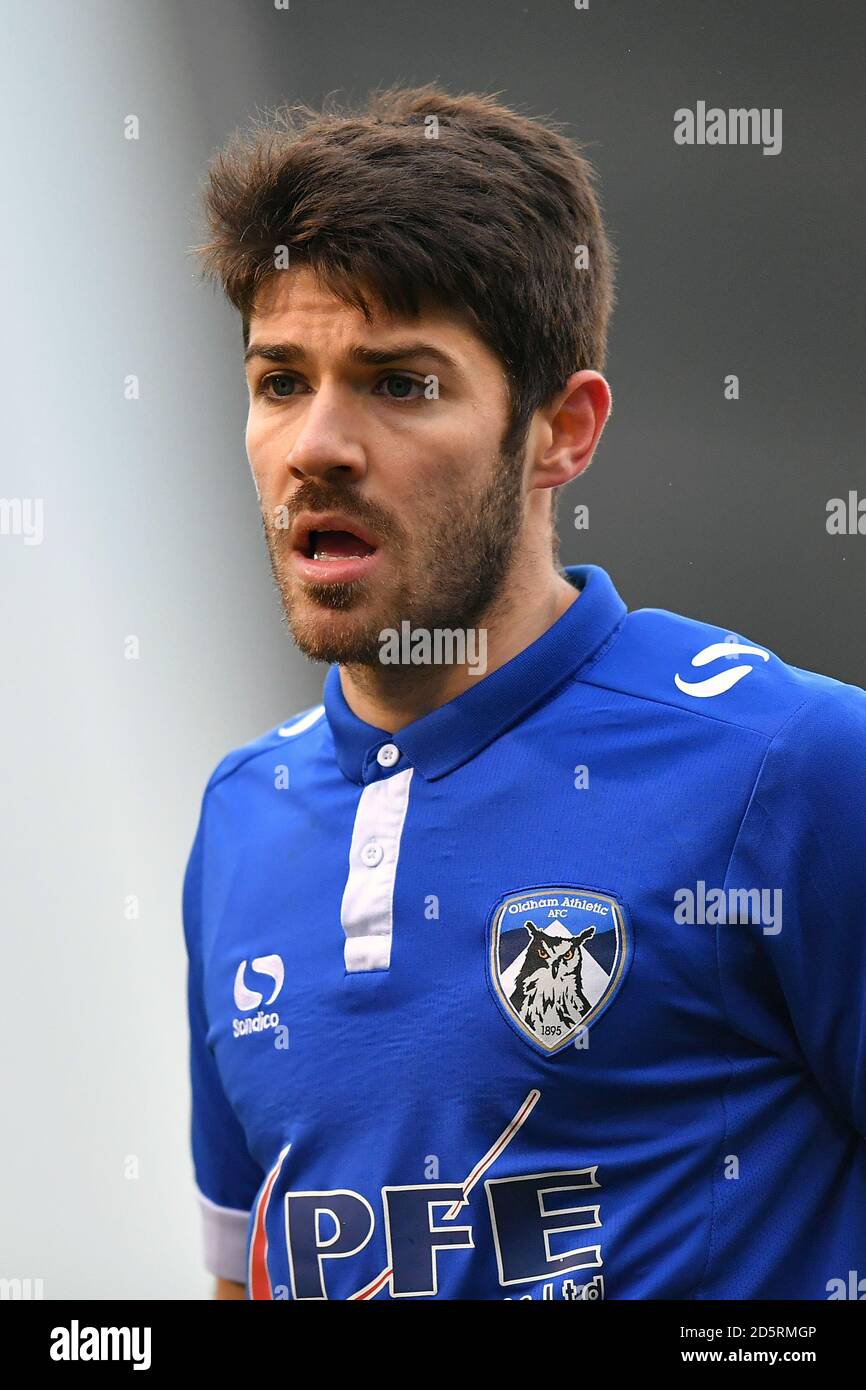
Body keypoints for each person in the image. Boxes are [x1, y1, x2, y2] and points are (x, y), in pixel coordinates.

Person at [182, 84, 866, 1301]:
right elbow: (246, 1279)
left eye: (400, 383)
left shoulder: (793, 763)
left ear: (560, 430)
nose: (314, 446)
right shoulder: (241, 816)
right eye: (281, 380)